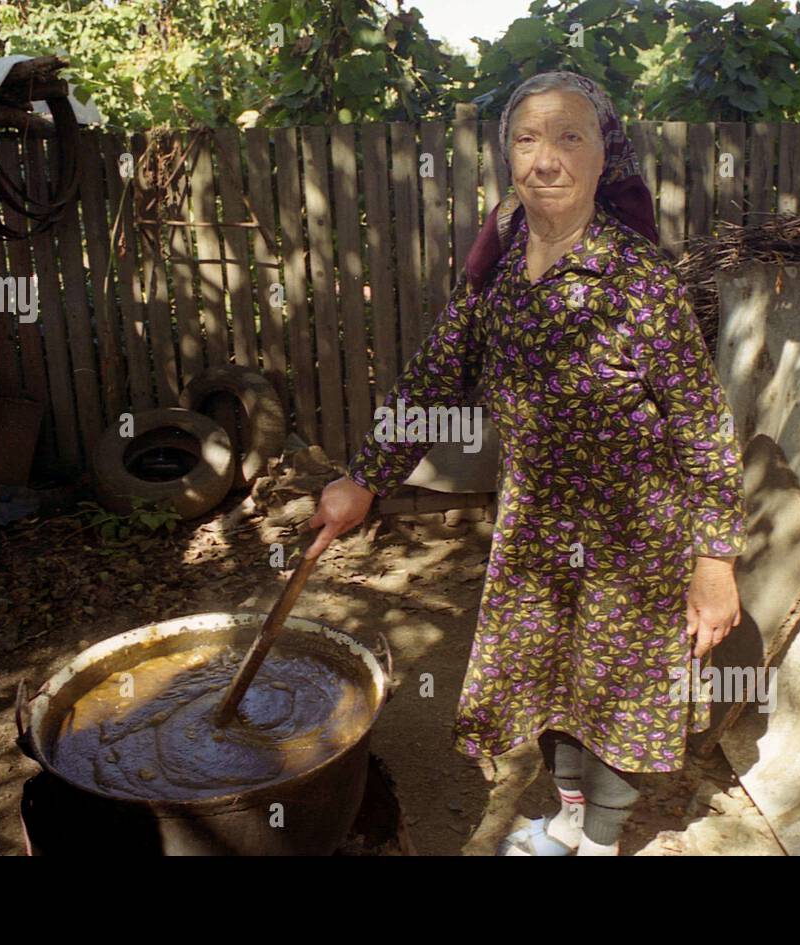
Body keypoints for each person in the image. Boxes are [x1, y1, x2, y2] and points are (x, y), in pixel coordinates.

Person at [307, 71, 745, 856]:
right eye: (527, 138)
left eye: (569, 136)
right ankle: (569, 819)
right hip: (535, 531)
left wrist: (715, 558)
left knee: (617, 695)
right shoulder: (498, 270)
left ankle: (602, 840)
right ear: (507, 155)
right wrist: (363, 477)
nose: (545, 159)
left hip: (633, 538)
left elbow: (703, 425)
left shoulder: (641, 283)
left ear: (604, 155)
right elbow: (433, 375)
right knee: (547, 683)